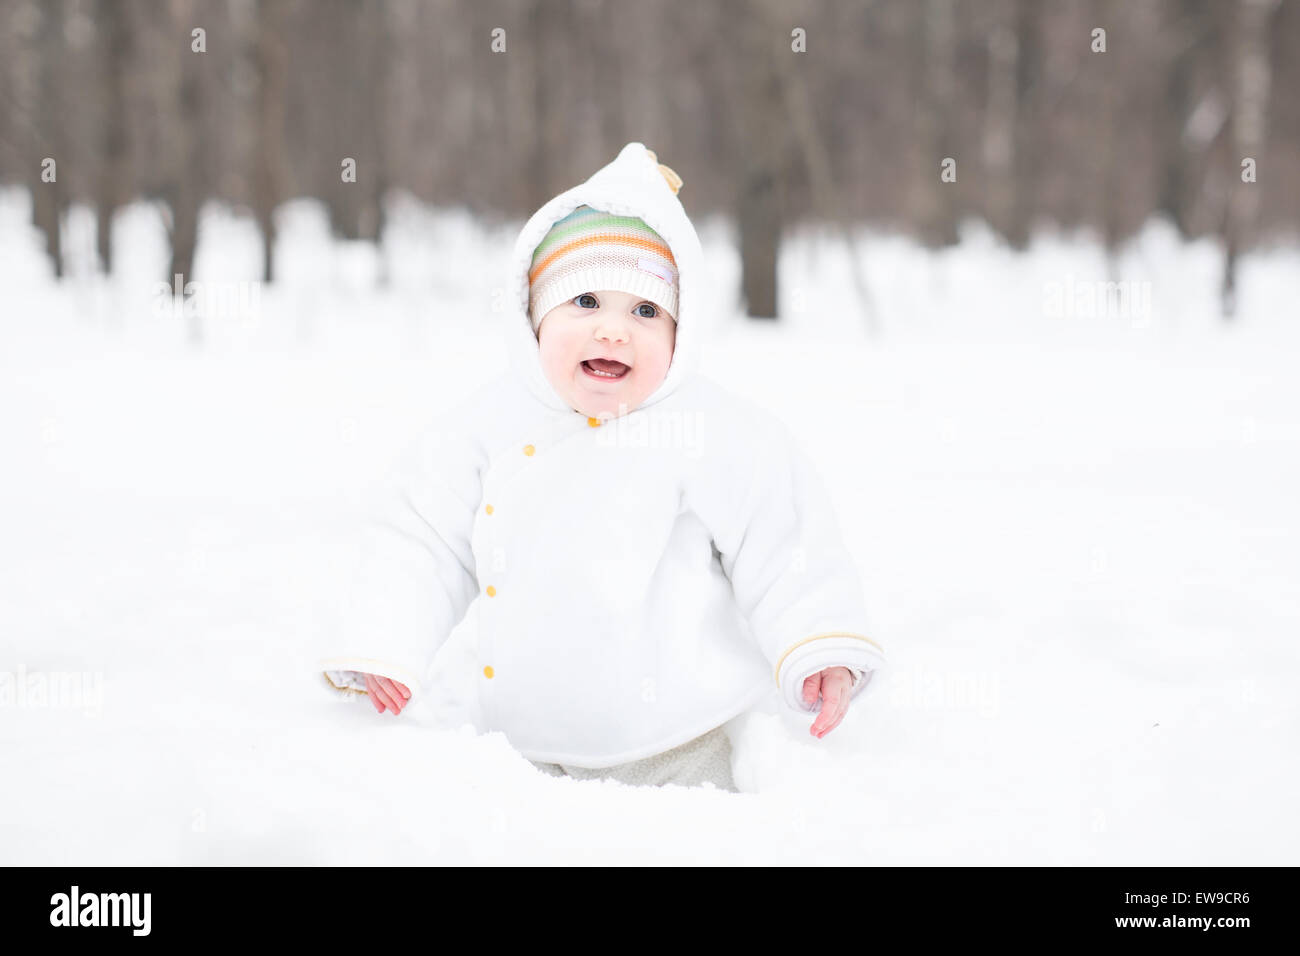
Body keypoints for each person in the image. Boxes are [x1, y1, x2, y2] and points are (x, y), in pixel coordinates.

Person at [317, 142, 885, 793]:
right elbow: (422, 539)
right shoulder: (488, 427)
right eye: (584, 302)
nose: (614, 331)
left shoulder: (711, 430)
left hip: (675, 740)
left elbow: (784, 539)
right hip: (521, 746)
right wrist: (385, 641)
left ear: (682, 329)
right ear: (532, 316)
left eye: (645, 311)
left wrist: (820, 644)